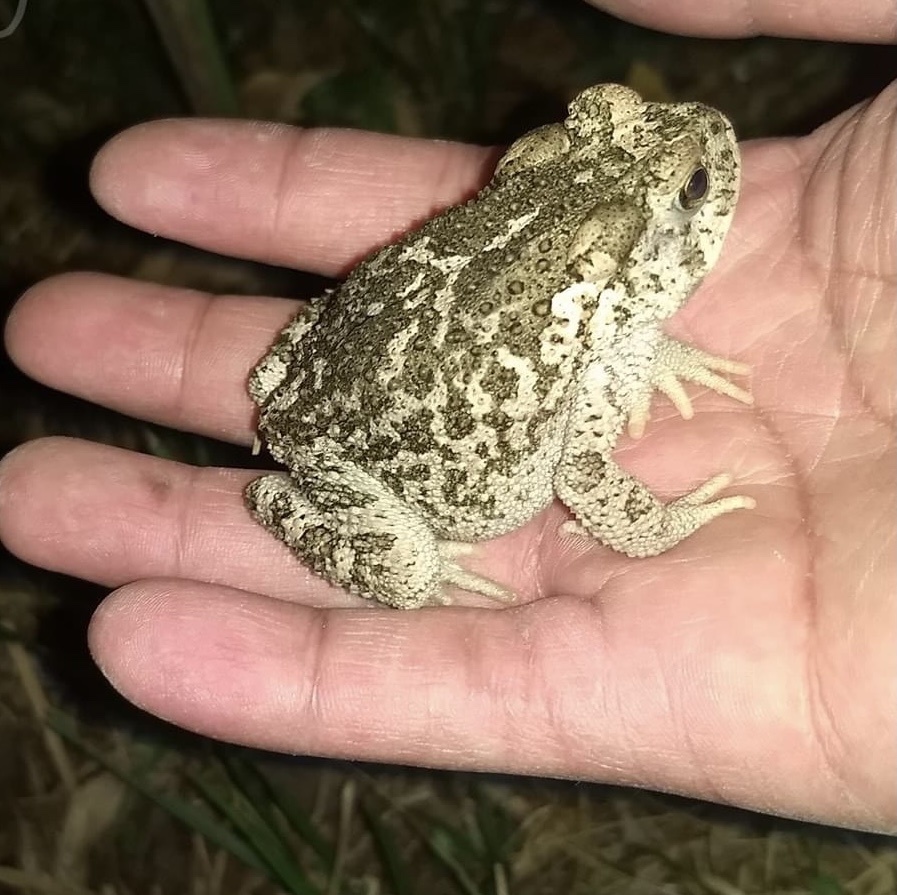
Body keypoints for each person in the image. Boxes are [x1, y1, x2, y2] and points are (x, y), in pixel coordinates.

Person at [1, 2, 894, 833]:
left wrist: (644, 351)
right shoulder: (585, 310)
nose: (701, 138)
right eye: (694, 188)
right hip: (370, 470)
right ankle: (314, 511)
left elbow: (594, 345)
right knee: (402, 570)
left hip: (338, 363)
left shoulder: (583, 302)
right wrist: (660, 525)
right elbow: (582, 472)